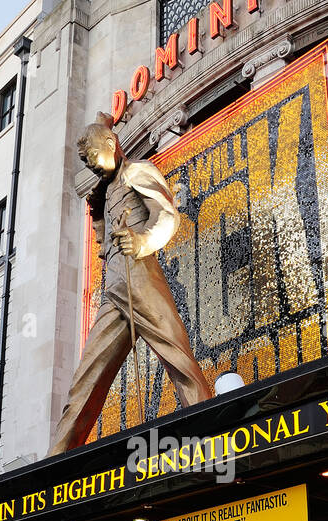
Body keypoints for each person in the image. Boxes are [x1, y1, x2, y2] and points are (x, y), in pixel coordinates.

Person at [48, 113, 211, 454]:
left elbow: (166, 214)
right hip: (115, 290)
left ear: (110, 145)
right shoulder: (104, 190)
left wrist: (142, 242)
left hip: (141, 277)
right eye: (86, 161)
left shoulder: (137, 170)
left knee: (176, 354)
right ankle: (57, 456)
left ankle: (208, 427)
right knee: (87, 376)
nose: (91, 164)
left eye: (92, 156)